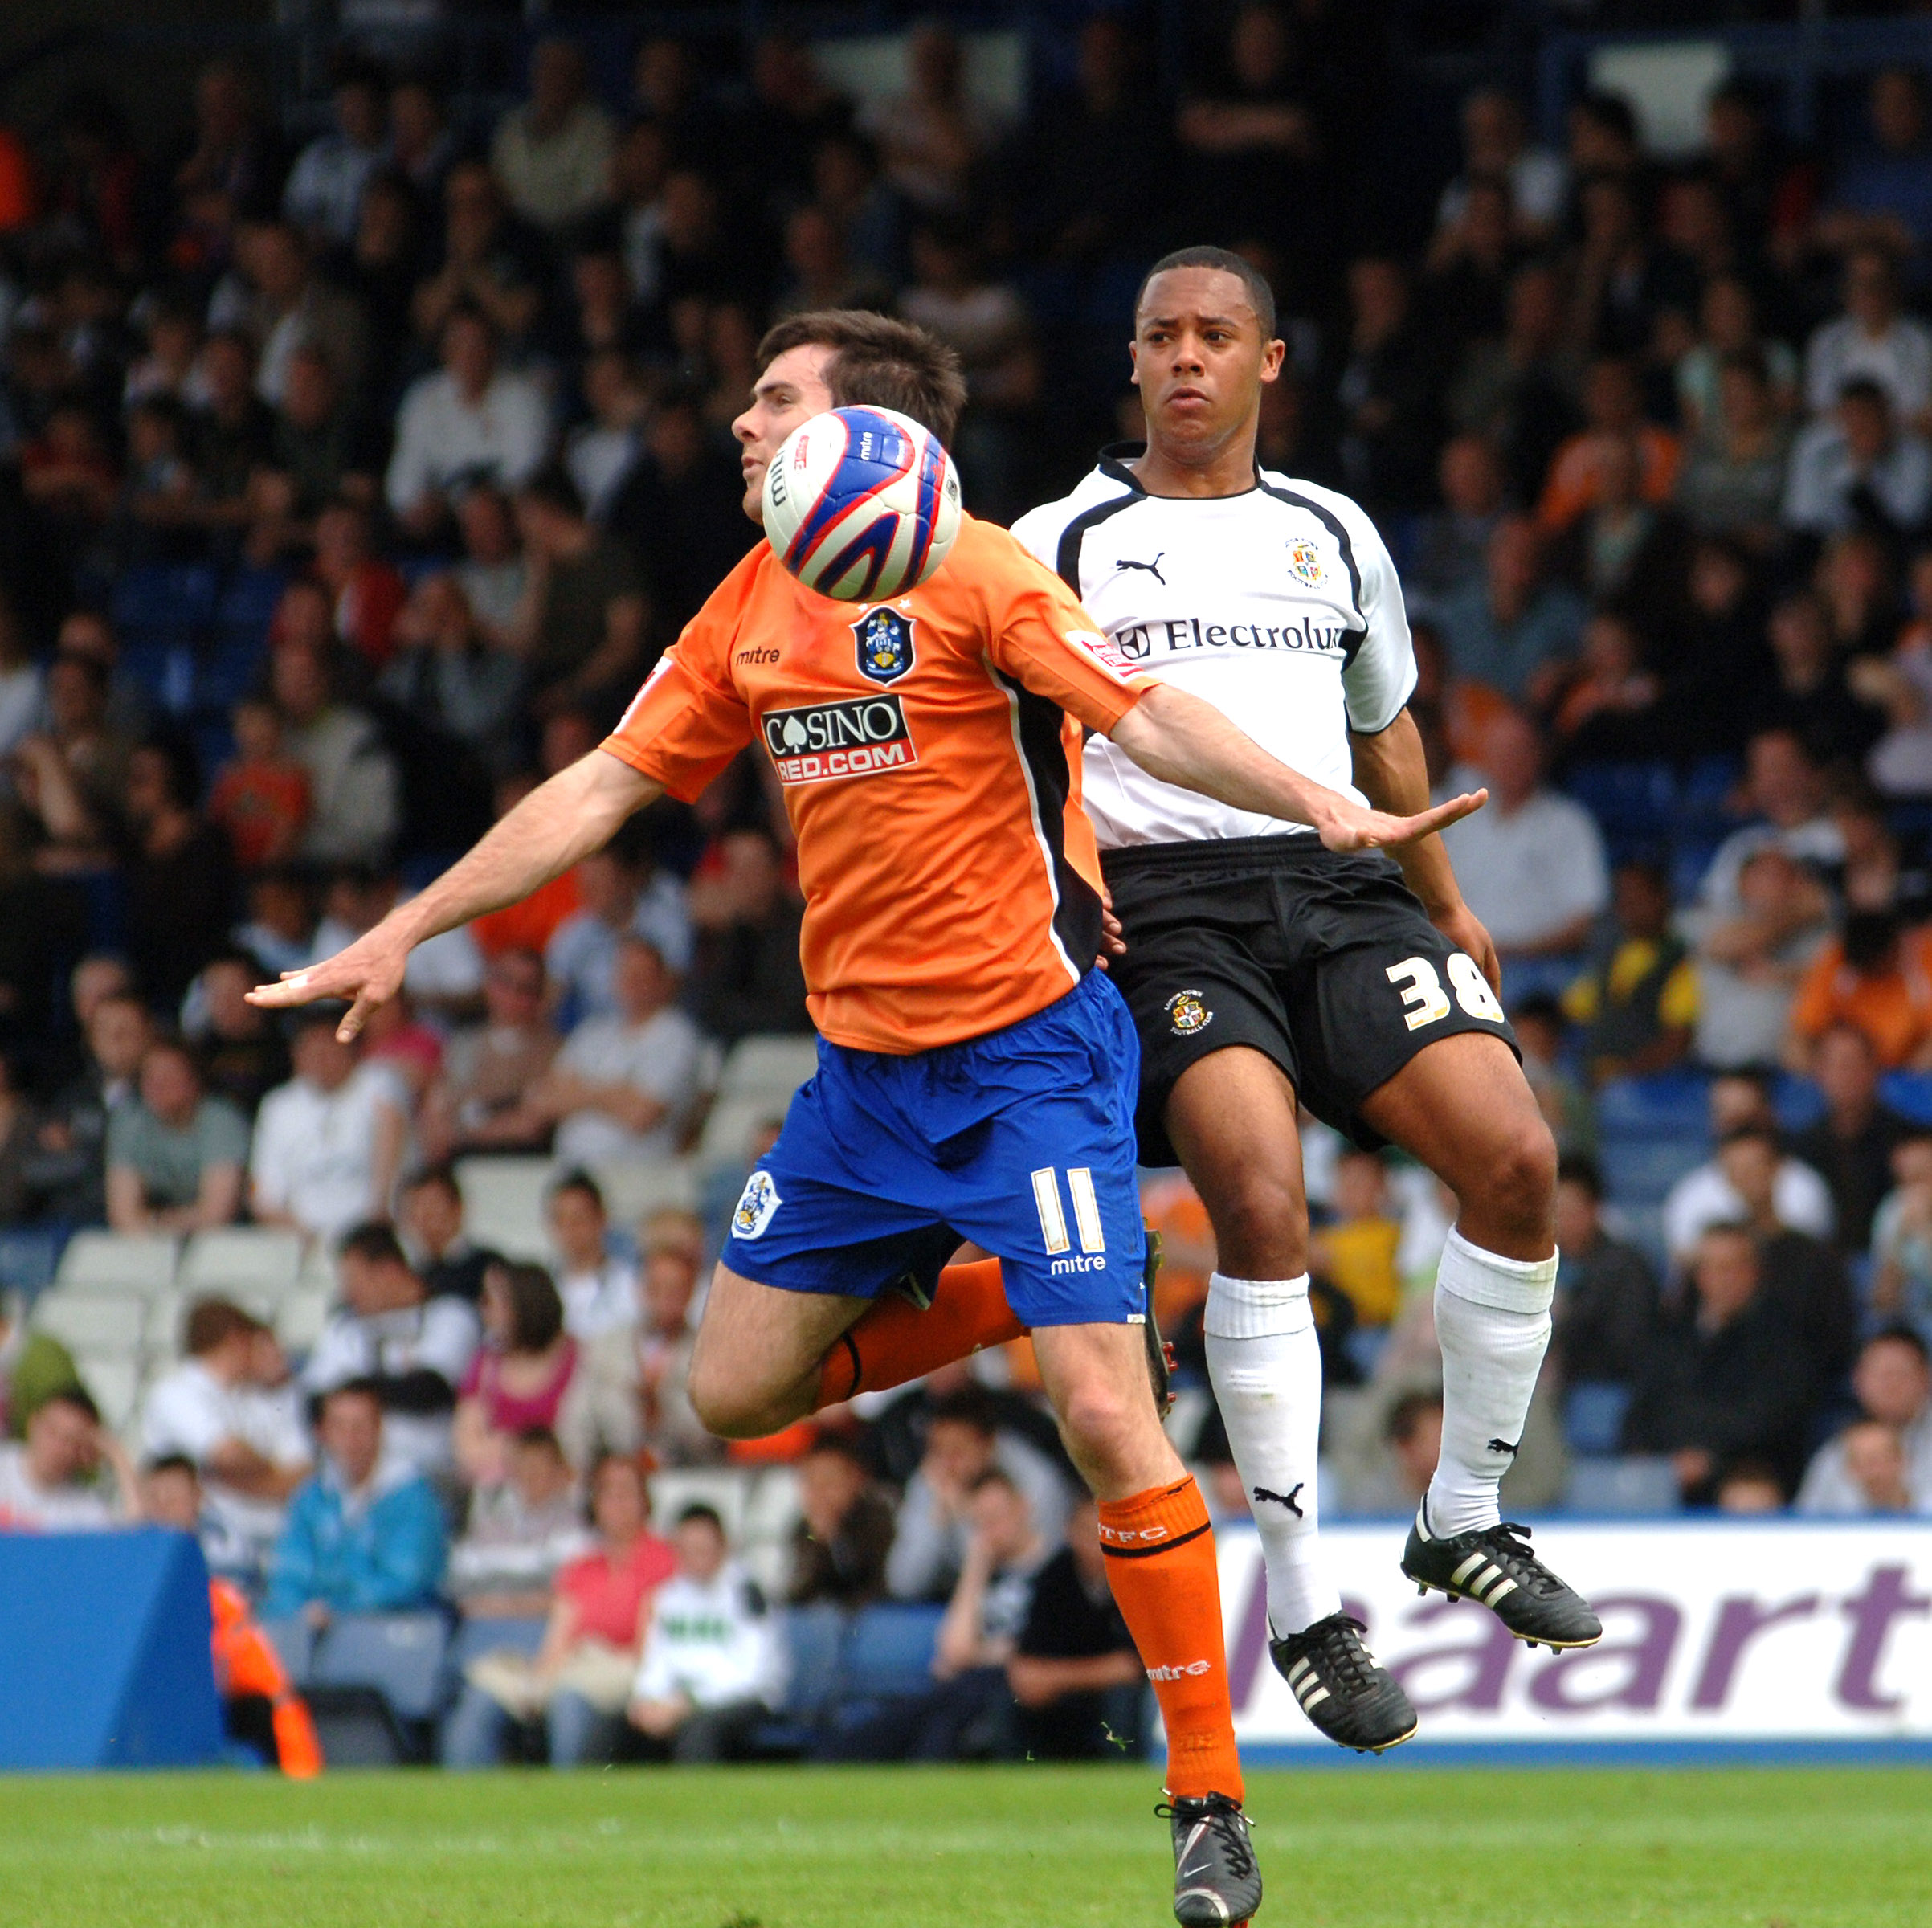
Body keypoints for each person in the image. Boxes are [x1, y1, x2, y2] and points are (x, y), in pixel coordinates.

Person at [248, 307, 1481, 1924]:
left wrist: (1318, 799)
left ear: (860, 431)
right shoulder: (751, 600)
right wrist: (412, 926)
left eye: (773, 402)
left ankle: (1204, 1800)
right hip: (856, 1085)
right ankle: (1027, 1301)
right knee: (728, 1393)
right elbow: (606, 787)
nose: (742, 427)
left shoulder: (976, 570)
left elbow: (1144, 718)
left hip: (1030, 1060)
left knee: (1105, 1417)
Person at [1013, 245, 1603, 1760]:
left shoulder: (1332, 531)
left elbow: (1382, 721)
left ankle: (1461, 1517)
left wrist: (1452, 905)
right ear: (1132, 361)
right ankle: (1303, 1613)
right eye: (1163, 336)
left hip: (1342, 891)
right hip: (1167, 907)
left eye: (1218, 335)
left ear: (1271, 362)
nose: (1188, 359)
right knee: (1261, 1206)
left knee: (1520, 1163)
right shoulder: (1060, 537)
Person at [443, 1451, 673, 1769]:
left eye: (627, 1493)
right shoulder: (580, 1568)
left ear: (645, 1501)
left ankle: (566, 1797)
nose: (617, 1503)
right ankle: (464, 1798)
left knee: (569, 1697)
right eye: (608, 1493)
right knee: (483, 1693)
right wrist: (538, 1681)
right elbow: (558, 1638)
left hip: (624, 1666)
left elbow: (650, 1647)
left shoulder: (663, 1560)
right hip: (574, 1663)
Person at [1621, 1223, 1820, 1505]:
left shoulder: (1784, 1338)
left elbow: (1772, 1418)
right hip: (1667, 1478)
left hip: (1750, 1480)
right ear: (1699, 1276)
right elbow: (1643, 1411)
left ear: (1755, 1272)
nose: (1724, 1278)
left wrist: (1710, 1458)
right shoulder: (1670, 1336)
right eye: (1713, 1268)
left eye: (1733, 1267)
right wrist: (1663, 1460)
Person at [1439, 707, 1610, 995]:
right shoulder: (1461, 818)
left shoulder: (1569, 823)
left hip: (1540, 972)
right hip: (1459, 966)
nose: (1511, 762)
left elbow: (1584, 923)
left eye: (1520, 751)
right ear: (1484, 758)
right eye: (1502, 752)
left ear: (1538, 755)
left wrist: (1509, 952)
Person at [141, 1297, 311, 1579]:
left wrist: (239, 1478)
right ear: (236, 1340)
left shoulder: (258, 1399)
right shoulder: (176, 1392)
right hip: (205, 1552)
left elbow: (303, 1476)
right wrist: (275, 1476)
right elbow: (227, 1455)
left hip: (271, 1549)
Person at [302, 1223, 479, 1479]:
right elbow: (315, 1399)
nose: (348, 1293)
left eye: (354, 1280)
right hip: (352, 1476)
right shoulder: (343, 1329)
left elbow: (428, 1390)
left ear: (389, 1271)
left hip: (428, 1473)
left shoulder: (451, 1315)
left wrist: (356, 1389)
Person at [263, 1380, 447, 1623]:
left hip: (392, 1632)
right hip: (314, 1628)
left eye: (360, 1426)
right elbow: (289, 1574)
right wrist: (298, 1611)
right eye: (339, 1426)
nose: (350, 1438)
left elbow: (405, 1581)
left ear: (379, 1428)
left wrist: (336, 1610)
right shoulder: (311, 1497)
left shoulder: (413, 1498)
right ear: (323, 1432)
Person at [627, 1504, 786, 1763]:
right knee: (622, 1725)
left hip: (742, 1700)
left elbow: (753, 1674)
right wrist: (647, 1700)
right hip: (679, 1701)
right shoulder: (667, 1597)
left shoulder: (746, 1594)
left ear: (724, 1546)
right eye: (688, 1549)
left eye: (704, 1548)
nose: (697, 1556)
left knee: (697, 1729)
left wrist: (689, 1701)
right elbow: (657, 1660)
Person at [884, 1388, 1070, 1603]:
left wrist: (965, 1516)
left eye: (957, 1451)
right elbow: (903, 1584)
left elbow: (1048, 1565)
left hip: (1033, 1601)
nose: (947, 1463)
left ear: (988, 1444)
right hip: (955, 1609)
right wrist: (936, 1520)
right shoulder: (931, 1480)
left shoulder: (1036, 1480)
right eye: (937, 1450)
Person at [533, 935, 705, 1168]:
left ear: (663, 981)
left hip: (639, 1170)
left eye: (641, 975)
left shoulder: (677, 1035)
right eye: (626, 973)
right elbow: (545, 1102)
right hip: (572, 1168)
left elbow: (640, 1115)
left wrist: (582, 1091)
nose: (632, 982)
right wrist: (617, 1093)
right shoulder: (592, 1032)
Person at [249, 1015, 409, 1241]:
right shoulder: (277, 1105)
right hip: (304, 1238)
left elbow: (393, 1156)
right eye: (311, 1050)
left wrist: (376, 1221)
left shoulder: (380, 1083)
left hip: (374, 1233)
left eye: (329, 1048)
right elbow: (263, 1196)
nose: (321, 1058)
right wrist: (307, 1237)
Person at [1662, 1073, 1834, 1264]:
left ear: (1768, 1114)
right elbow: (1687, 1272)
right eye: (1727, 1116)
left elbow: (1812, 1266)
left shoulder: (1803, 1188)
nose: (1737, 1127)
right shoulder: (1691, 1194)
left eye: (1745, 1117)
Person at [1560, 863, 1697, 1085]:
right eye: (1623, 897)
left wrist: (1622, 1075)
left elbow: (1677, 1041)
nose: (1629, 906)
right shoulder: (1612, 952)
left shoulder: (1679, 961)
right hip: (1592, 1072)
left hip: (1644, 1081)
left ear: (1662, 898)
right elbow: (1573, 1010)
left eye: (1639, 897)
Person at [453, 1261, 582, 1490]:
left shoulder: (579, 1359)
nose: (485, 1311)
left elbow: (577, 1442)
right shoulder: (485, 1365)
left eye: (491, 1302)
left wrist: (504, 1445)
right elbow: (467, 1448)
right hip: (500, 1492)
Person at [447, 1425, 593, 1622]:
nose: (531, 1474)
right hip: (486, 1626)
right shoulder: (491, 1523)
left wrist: (508, 1605)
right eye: (524, 1465)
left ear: (560, 1471)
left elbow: (569, 1597)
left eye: (540, 1465)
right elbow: (462, 1587)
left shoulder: (575, 1528)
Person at [1791, 1022, 1914, 1255]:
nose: (1843, 1075)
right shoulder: (1799, 1147)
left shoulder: (1910, 1140)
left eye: (1851, 1064)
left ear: (1874, 1069)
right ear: (1818, 1073)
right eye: (1833, 1065)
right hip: (1821, 1270)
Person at [105, 1037, 249, 1234]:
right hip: (150, 1242)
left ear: (193, 1081)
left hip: (225, 1239)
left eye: (169, 1075)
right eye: (150, 1077)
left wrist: (156, 1222)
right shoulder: (129, 1120)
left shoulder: (222, 1120)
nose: (158, 1085)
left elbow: (216, 1214)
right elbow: (122, 1213)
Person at [1796, 1327, 1932, 1513]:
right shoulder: (1835, 1452)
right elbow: (1805, 1524)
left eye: (1900, 1373)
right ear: (1857, 1380)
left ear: (1926, 1377)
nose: (1891, 1384)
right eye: (1881, 1374)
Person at [0, 1387, 137, 1530]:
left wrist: (116, 1455)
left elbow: (133, 1540)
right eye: (52, 1432)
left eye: (71, 1441)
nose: (58, 1447)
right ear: (33, 1424)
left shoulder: (84, 1511)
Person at [786, 1432, 897, 1606]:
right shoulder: (806, 1531)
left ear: (856, 1479)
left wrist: (836, 1538)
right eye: (811, 1482)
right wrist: (819, 1541)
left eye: (829, 1482)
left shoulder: (879, 1520)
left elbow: (873, 1586)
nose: (820, 1493)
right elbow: (798, 1593)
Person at [545, 1170, 639, 1342]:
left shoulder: (630, 1286)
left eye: (578, 1220)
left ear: (602, 1218)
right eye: (559, 1220)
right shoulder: (542, 1287)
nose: (568, 1230)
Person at [398, 1165, 496, 1306]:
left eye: (432, 1207)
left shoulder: (487, 1267)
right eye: (414, 1209)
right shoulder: (409, 1272)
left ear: (458, 1208)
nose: (423, 1218)